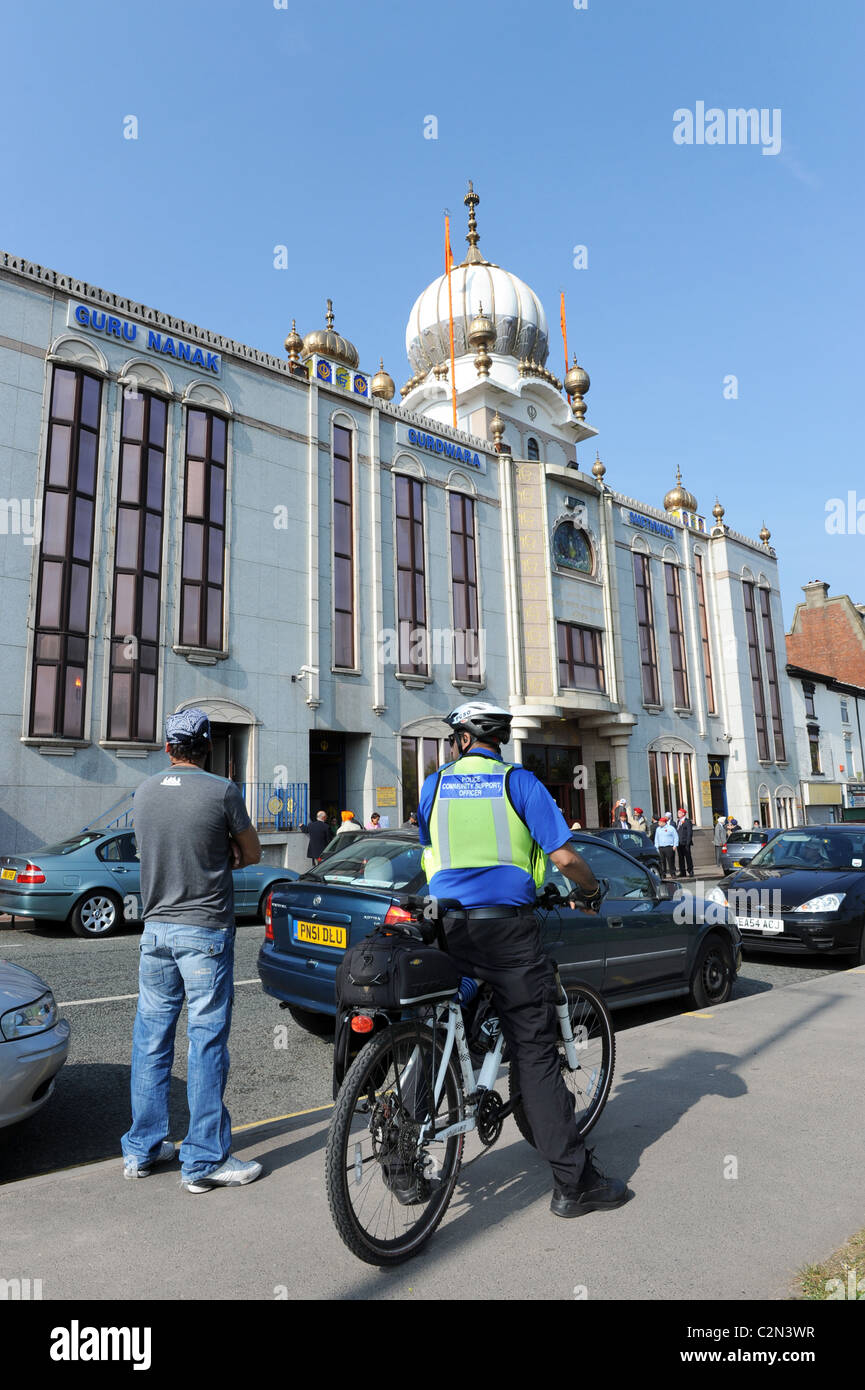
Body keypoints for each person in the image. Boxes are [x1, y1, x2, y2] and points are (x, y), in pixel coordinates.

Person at [418, 700, 630, 1219]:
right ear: (495, 740)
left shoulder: (433, 786)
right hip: (508, 933)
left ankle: (402, 1162)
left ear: (464, 739)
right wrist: (591, 886)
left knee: (439, 1033)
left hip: (447, 926)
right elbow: (563, 856)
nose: (451, 746)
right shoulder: (521, 784)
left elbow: (430, 849)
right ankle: (574, 1184)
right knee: (534, 1050)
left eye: (453, 739)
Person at [121, 708, 263, 1193]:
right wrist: (223, 847)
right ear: (207, 748)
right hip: (204, 931)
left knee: (150, 1040)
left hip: (155, 930)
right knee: (205, 1042)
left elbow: (149, 851)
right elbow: (254, 853)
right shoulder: (222, 790)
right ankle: (202, 1161)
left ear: (167, 748)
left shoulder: (142, 792)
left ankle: (143, 1149)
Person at [654, 814, 678, 879]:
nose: (658, 823)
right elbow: (656, 838)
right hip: (661, 847)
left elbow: (676, 837)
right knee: (662, 861)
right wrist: (656, 847)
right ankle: (663, 874)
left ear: (664, 822)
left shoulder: (671, 828)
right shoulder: (658, 829)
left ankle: (672, 873)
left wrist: (675, 845)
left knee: (670, 861)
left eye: (660, 822)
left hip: (669, 847)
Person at [675, 806, 694, 877]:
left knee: (688, 857)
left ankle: (690, 871)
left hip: (685, 843)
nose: (678, 814)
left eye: (679, 813)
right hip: (679, 843)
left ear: (683, 814)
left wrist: (688, 842)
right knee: (681, 858)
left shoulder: (687, 821)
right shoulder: (678, 821)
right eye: (678, 813)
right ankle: (682, 872)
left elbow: (689, 832)